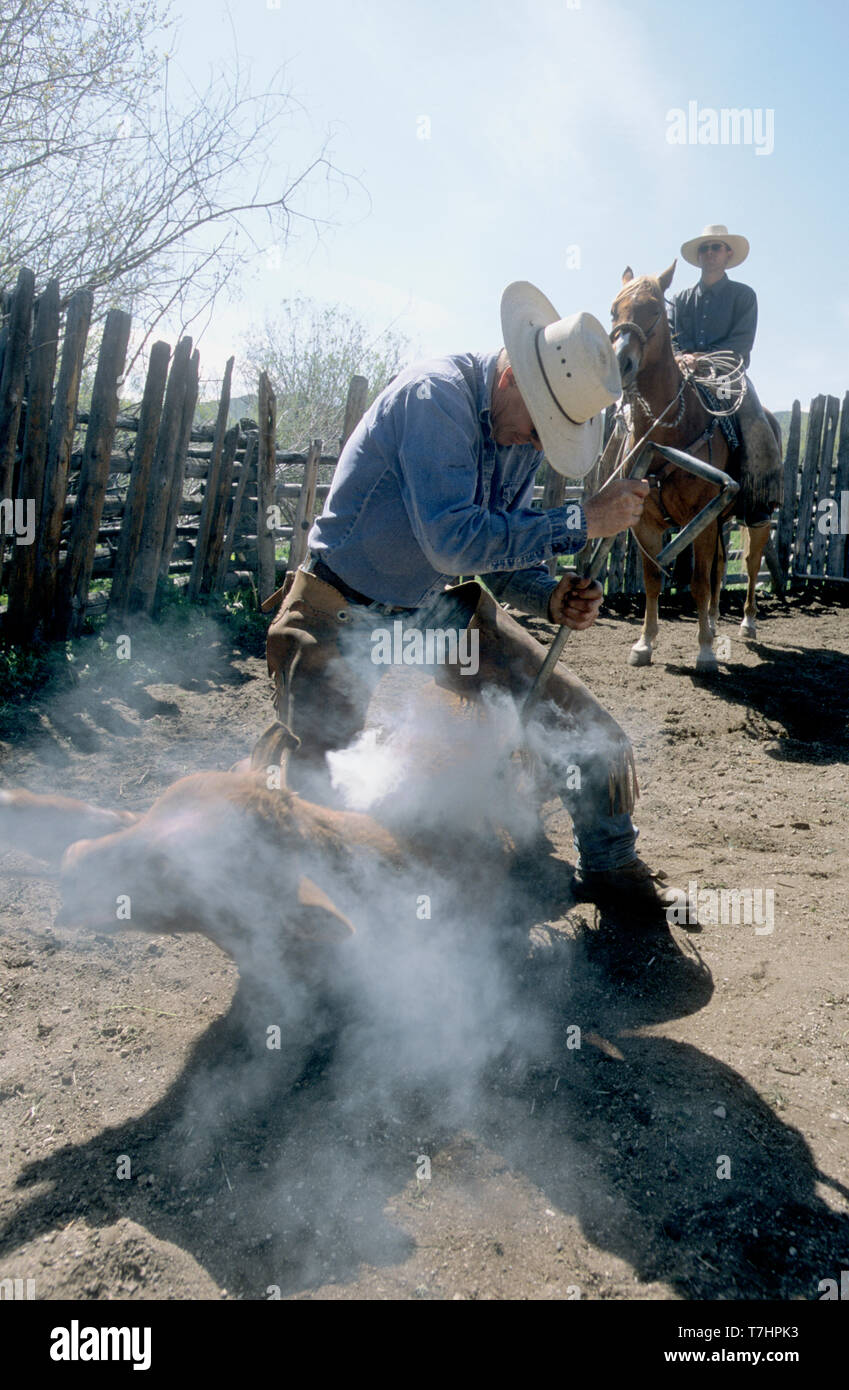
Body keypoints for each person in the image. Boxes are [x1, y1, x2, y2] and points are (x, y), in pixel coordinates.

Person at [263, 281, 672, 923]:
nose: (539, 447)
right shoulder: (436, 400)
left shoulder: (515, 432)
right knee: (321, 783)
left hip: (431, 612)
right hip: (338, 607)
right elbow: (454, 543)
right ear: (514, 380)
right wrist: (579, 522)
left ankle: (612, 864)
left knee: (575, 715)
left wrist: (549, 593)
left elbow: (495, 560)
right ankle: (308, 921)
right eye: (541, 430)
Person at [668, 223, 781, 526]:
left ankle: (757, 499)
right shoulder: (679, 299)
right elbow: (671, 338)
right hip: (683, 375)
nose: (709, 253)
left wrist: (702, 359)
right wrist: (681, 357)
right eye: (704, 248)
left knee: (756, 421)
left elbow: (741, 343)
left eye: (715, 247)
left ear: (727, 253)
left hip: (726, 376)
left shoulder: (744, 296)